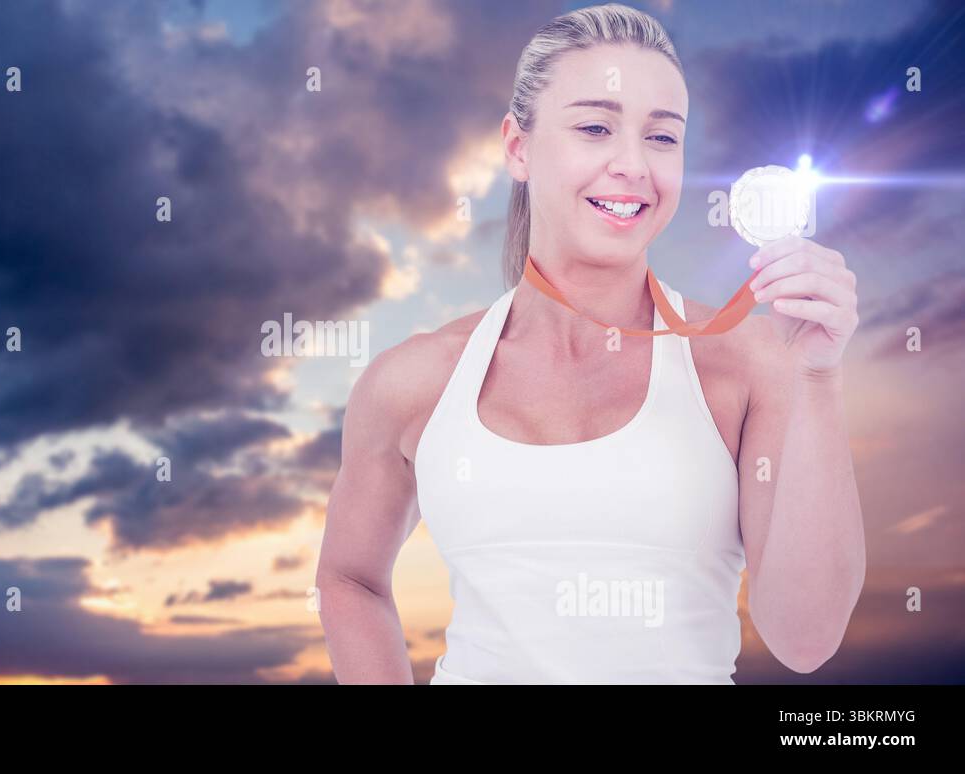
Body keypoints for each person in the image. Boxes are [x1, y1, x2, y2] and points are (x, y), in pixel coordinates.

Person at [316, 3, 864, 684]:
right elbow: (348, 579)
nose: (632, 164)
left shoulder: (747, 363)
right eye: (596, 127)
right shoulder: (413, 381)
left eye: (662, 138)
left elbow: (805, 640)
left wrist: (819, 378)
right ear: (518, 147)